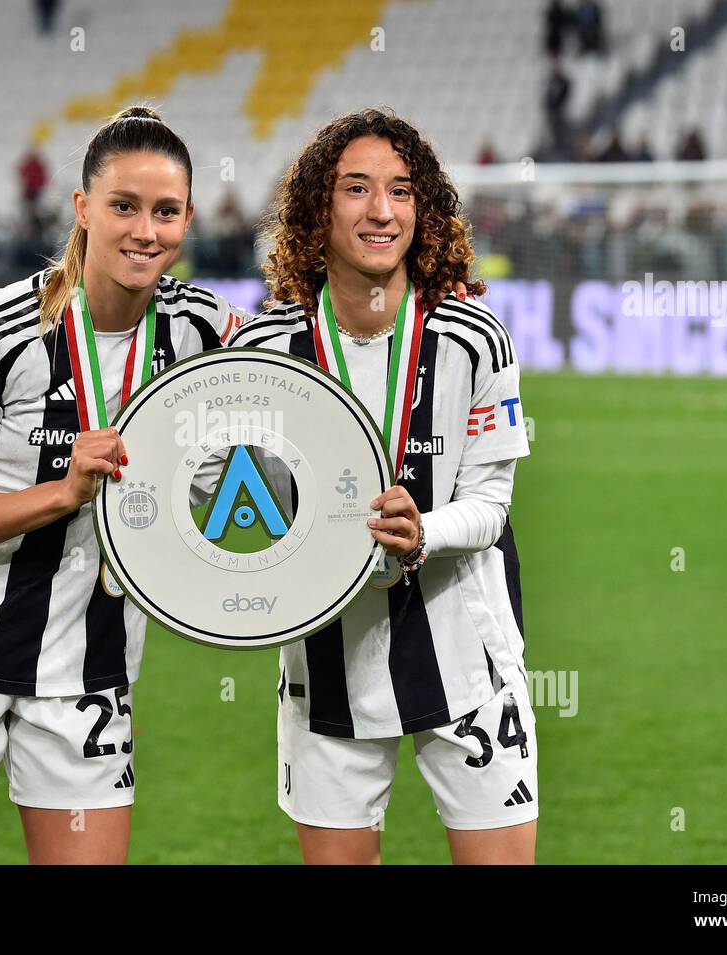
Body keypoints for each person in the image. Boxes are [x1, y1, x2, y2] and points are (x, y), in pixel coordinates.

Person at [0, 107, 242, 864]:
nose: (146, 231)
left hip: (88, 674)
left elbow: (318, 357)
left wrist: (430, 287)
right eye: (124, 207)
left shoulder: (206, 331)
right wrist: (63, 492)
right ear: (82, 209)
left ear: (189, 220)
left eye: (166, 212)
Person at [229, 109, 537, 864]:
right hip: (327, 664)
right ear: (318, 209)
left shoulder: (473, 334)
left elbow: (492, 506)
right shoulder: (266, 349)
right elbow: (225, 489)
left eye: (401, 191)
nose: (382, 210)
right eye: (357, 189)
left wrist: (423, 529)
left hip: (467, 657)